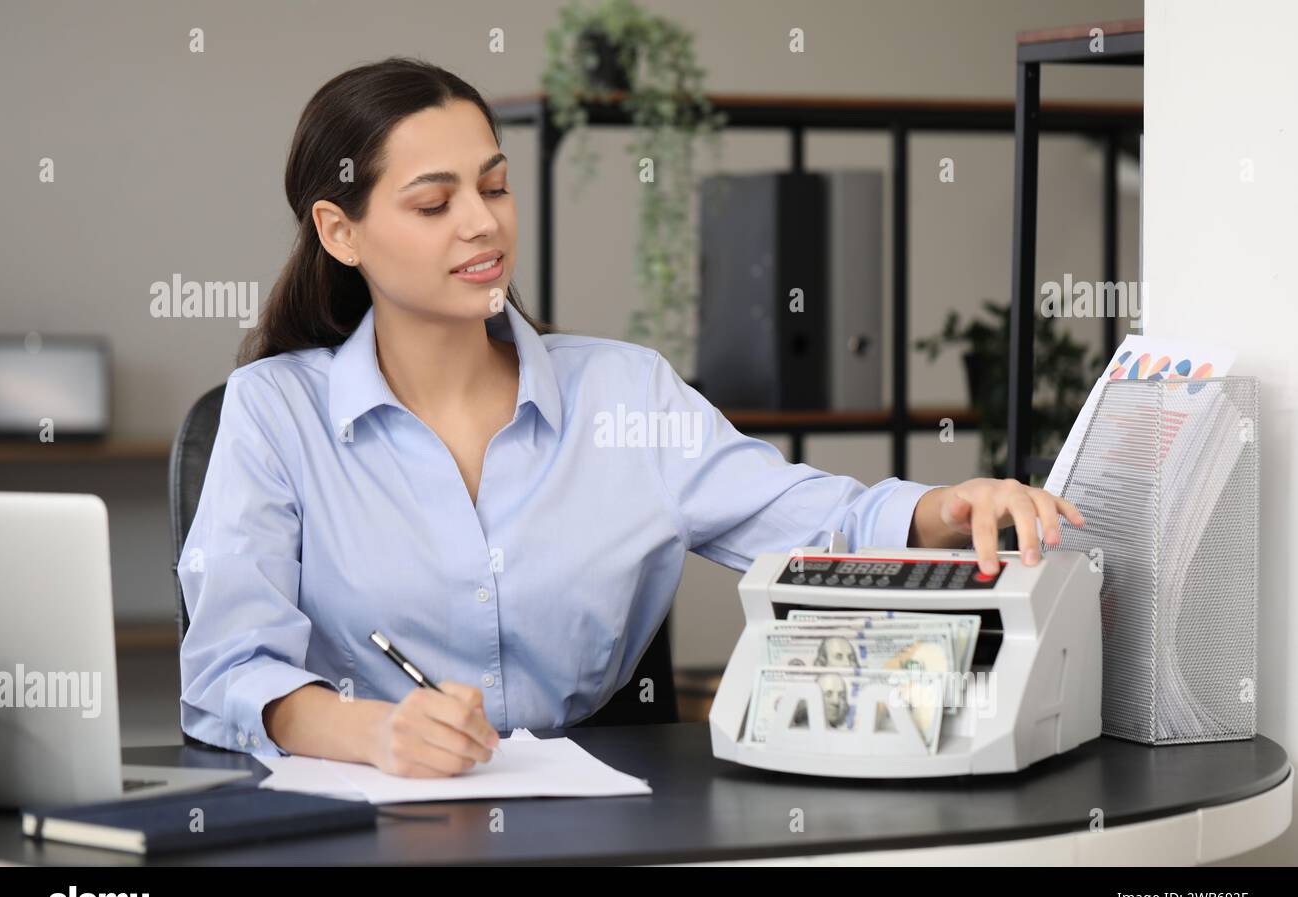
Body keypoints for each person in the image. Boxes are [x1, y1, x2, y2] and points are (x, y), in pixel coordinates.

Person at [178, 56, 1085, 779]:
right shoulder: (274, 412)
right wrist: (374, 732)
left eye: (493, 188)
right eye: (433, 202)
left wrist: (946, 509)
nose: (481, 225)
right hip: (364, 820)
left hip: (594, 817)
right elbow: (228, 665)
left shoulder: (624, 395)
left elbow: (815, 520)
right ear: (340, 232)